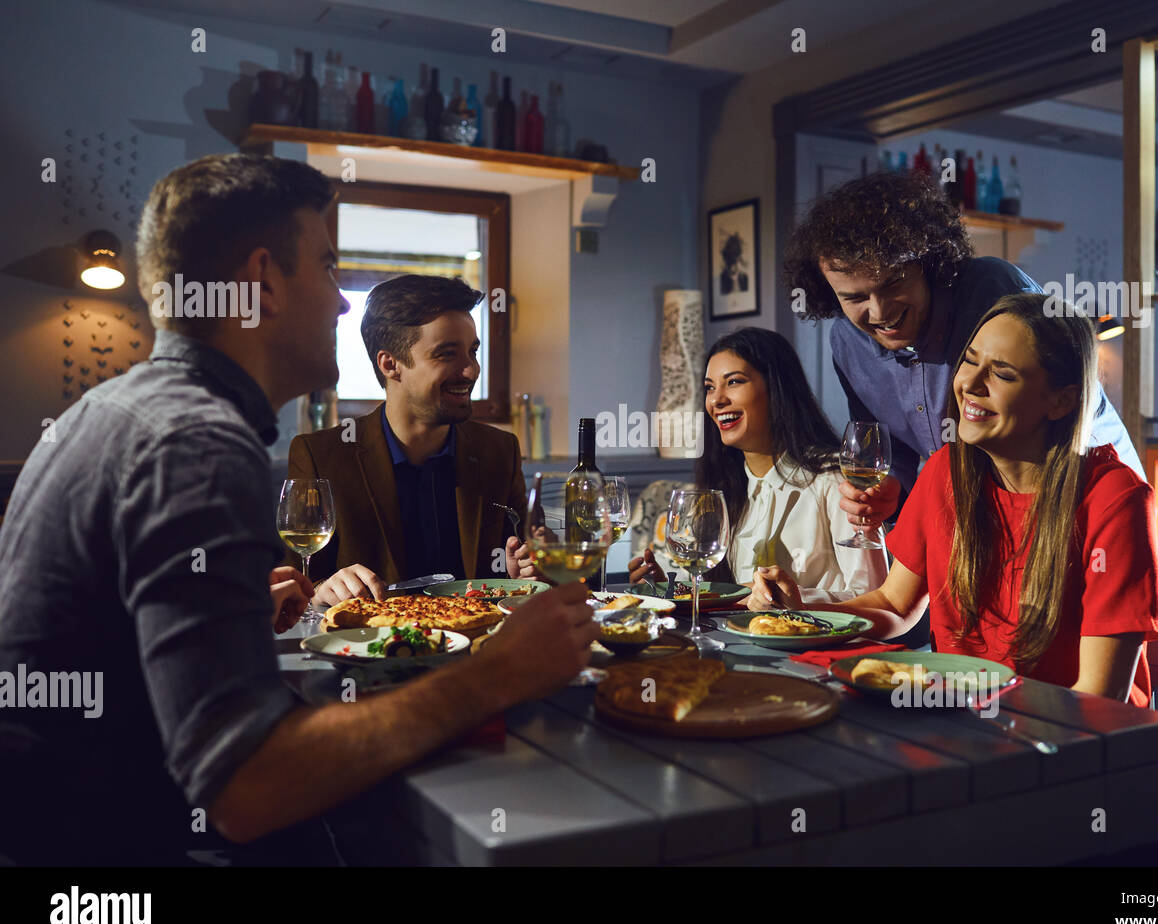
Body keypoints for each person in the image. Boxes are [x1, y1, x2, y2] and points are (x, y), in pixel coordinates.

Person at [0, 154, 596, 865]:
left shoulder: (124, 410)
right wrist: (500, 672)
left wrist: (243, 609)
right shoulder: (194, 442)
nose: (344, 304)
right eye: (328, 267)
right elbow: (249, 787)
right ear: (262, 282)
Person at [752, 294, 1158, 706]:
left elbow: (1097, 696)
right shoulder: (945, 471)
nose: (970, 383)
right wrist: (801, 614)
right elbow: (894, 605)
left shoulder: (1115, 499)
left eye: (1002, 374)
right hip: (963, 727)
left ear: (1060, 401)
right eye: (970, 360)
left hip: (1071, 746)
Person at [782, 170, 1143, 535]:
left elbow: (1069, 406)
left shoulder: (993, 290)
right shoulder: (847, 341)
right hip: (984, 516)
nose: (879, 312)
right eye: (855, 297)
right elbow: (886, 450)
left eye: (893, 284)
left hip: (1083, 487)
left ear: (927, 264)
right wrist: (889, 489)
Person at [289, 274, 533, 608]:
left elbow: (527, 565)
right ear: (390, 364)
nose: (471, 370)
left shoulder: (500, 451)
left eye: (472, 351)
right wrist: (322, 589)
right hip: (372, 650)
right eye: (447, 354)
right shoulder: (319, 455)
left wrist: (527, 574)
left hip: (482, 647)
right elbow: (297, 584)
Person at [629, 327, 888, 607]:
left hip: (820, 648)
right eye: (709, 387)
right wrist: (667, 588)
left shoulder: (833, 479)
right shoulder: (724, 485)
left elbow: (875, 597)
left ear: (777, 388)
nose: (717, 400)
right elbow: (719, 589)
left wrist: (792, 597)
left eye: (734, 382)